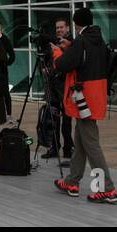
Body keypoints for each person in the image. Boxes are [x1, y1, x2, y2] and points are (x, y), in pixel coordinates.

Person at [53, 7, 117, 205]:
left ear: (76, 23)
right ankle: (72, 182)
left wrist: (57, 52)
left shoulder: (81, 40)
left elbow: (63, 65)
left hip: (84, 99)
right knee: (80, 141)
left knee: (91, 144)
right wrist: (72, 46)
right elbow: (85, 58)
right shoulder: (97, 39)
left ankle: (107, 189)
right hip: (96, 95)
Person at [41, 17, 75, 160]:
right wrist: (45, 69)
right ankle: (54, 148)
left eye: (61, 27)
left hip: (66, 87)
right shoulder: (52, 43)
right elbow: (47, 61)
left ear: (67, 28)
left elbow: (71, 62)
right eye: (57, 28)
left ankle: (68, 148)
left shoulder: (72, 43)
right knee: (53, 120)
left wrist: (60, 50)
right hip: (53, 86)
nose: (59, 30)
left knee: (66, 122)